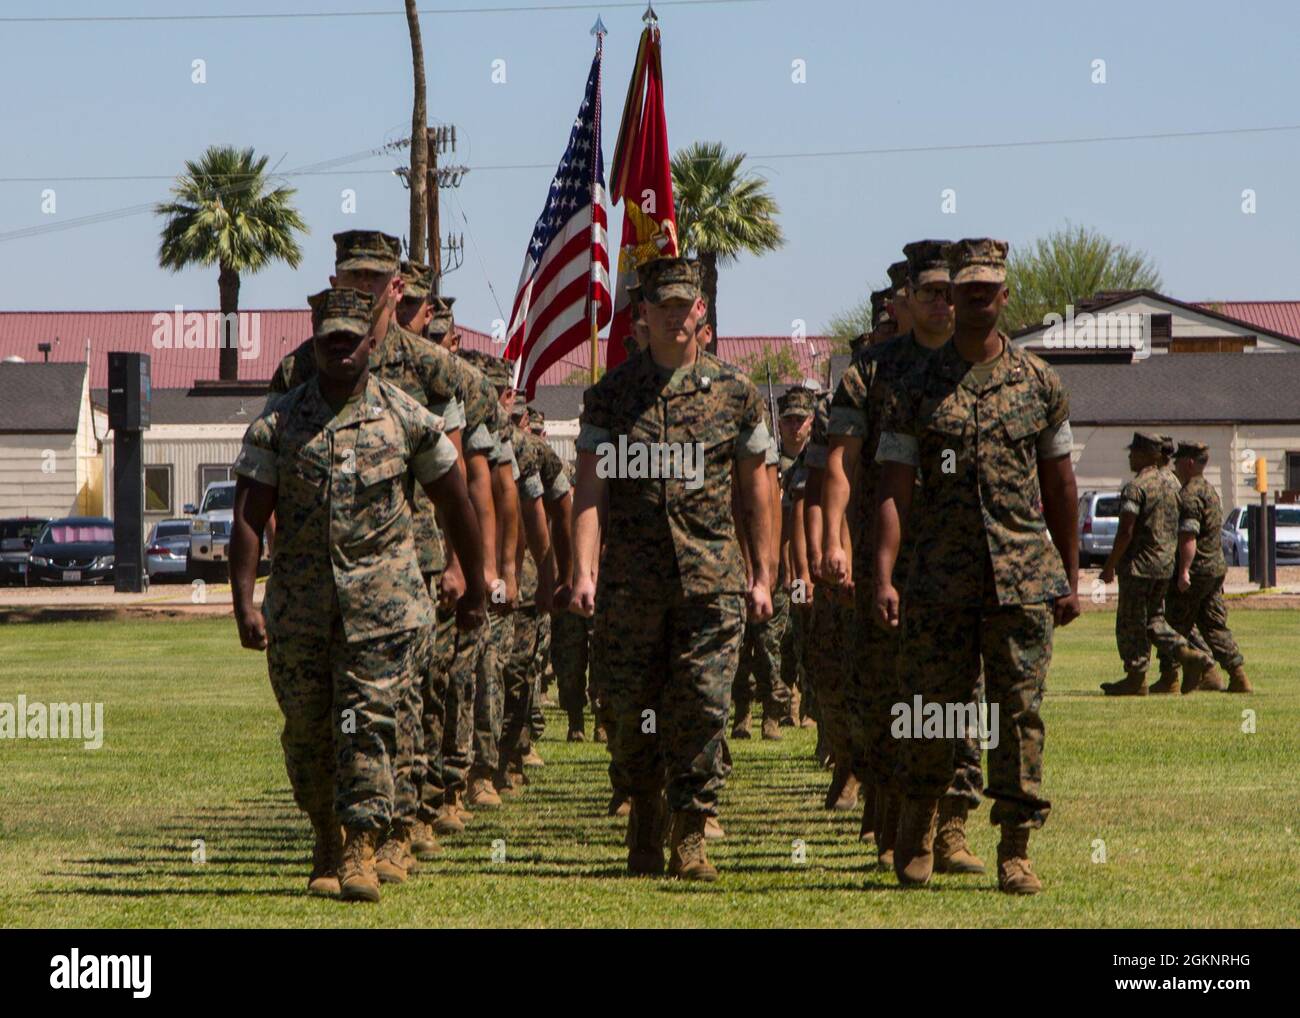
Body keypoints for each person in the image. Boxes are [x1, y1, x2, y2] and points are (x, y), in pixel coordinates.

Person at [229, 286, 486, 903]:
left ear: (371, 341)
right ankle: (325, 835)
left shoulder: (407, 418)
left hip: (384, 611)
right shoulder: (279, 424)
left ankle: (360, 851)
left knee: (369, 728)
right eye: (330, 342)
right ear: (316, 343)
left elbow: (456, 501)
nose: (341, 351)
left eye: (351, 340)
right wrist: (243, 601)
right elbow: (247, 516)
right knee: (309, 731)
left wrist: (472, 580)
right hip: (301, 611)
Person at [874, 238, 1081, 894]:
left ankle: (1015, 849)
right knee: (935, 709)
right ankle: (921, 825)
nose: (977, 300)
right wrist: (883, 573)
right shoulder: (912, 385)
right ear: (951, 295)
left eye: (988, 289)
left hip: (1020, 578)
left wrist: (1070, 576)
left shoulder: (1041, 383)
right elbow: (893, 487)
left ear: (1005, 296)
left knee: (1019, 713)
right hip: (936, 579)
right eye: (965, 290)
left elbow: (1061, 487)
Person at [570, 256, 773, 880]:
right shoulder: (610, 398)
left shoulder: (736, 395)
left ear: (701, 312)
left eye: (686, 306)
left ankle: (692, 833)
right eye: (664, 307)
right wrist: (584, 572)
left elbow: (756, 492)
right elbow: (589, 493)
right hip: (631, 585)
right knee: (632, 711)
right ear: (643, 316)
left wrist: (763, 574)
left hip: (710, 582)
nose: (676, 316)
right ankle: (644, 815)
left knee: (704, 707)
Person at [826, 240, 985, 873]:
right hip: (883, 557)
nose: (942, 303)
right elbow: (840, 463)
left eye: (951, 292)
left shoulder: (980, 366)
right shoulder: (871, 371)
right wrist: (836, 540)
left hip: (962, 556)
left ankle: (950, 826)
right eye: (929, 292)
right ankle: (895, 808)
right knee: (890, 693)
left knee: (961, 696)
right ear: (906, 300)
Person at [1099, 432, 1216, 696]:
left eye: (1134, 452)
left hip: (1138, 566)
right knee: (1154, 620)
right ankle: (1188, 654)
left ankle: (1136, 677)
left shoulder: (1136, 487)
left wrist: (1109, 566)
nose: (1130, 456)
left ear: (1146, 455)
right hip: (1164, 565)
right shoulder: (1174, 484)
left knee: (1131, 623)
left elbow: (1126, 532)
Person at [1166, 441, 1252, 693]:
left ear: (1189, 463)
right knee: (1213, 624)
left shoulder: (1190, 494)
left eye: (1179, 461)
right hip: (1215, 569)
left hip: (1197, 570)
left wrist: (1183, 571)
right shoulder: (1210, 491)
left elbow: (1188, 537)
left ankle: (1176, 675)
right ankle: (1236, 675)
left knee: (1173, 623)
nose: (1175, 466)